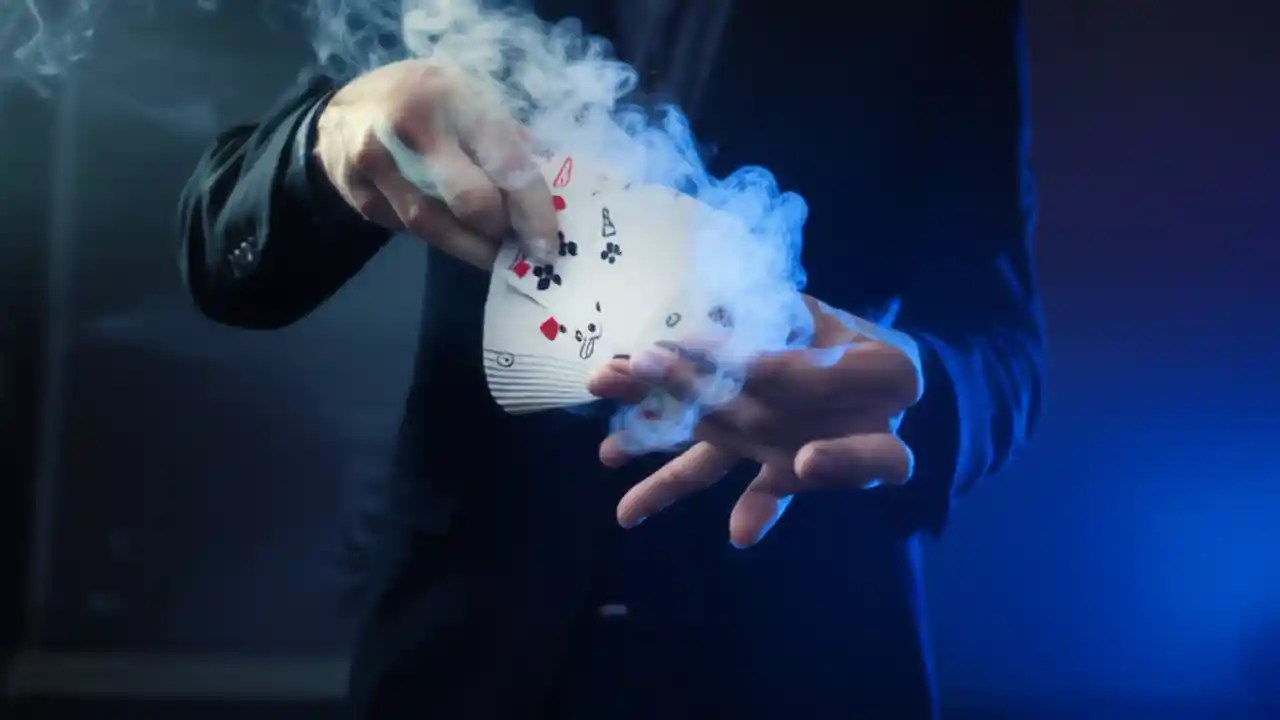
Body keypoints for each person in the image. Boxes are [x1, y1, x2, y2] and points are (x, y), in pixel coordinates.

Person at [178, 1, 1044, 717]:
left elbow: (1000, 348)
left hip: (801, 643)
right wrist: (331, 137)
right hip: (471, 640)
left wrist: (908, 389)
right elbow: (224, 252)